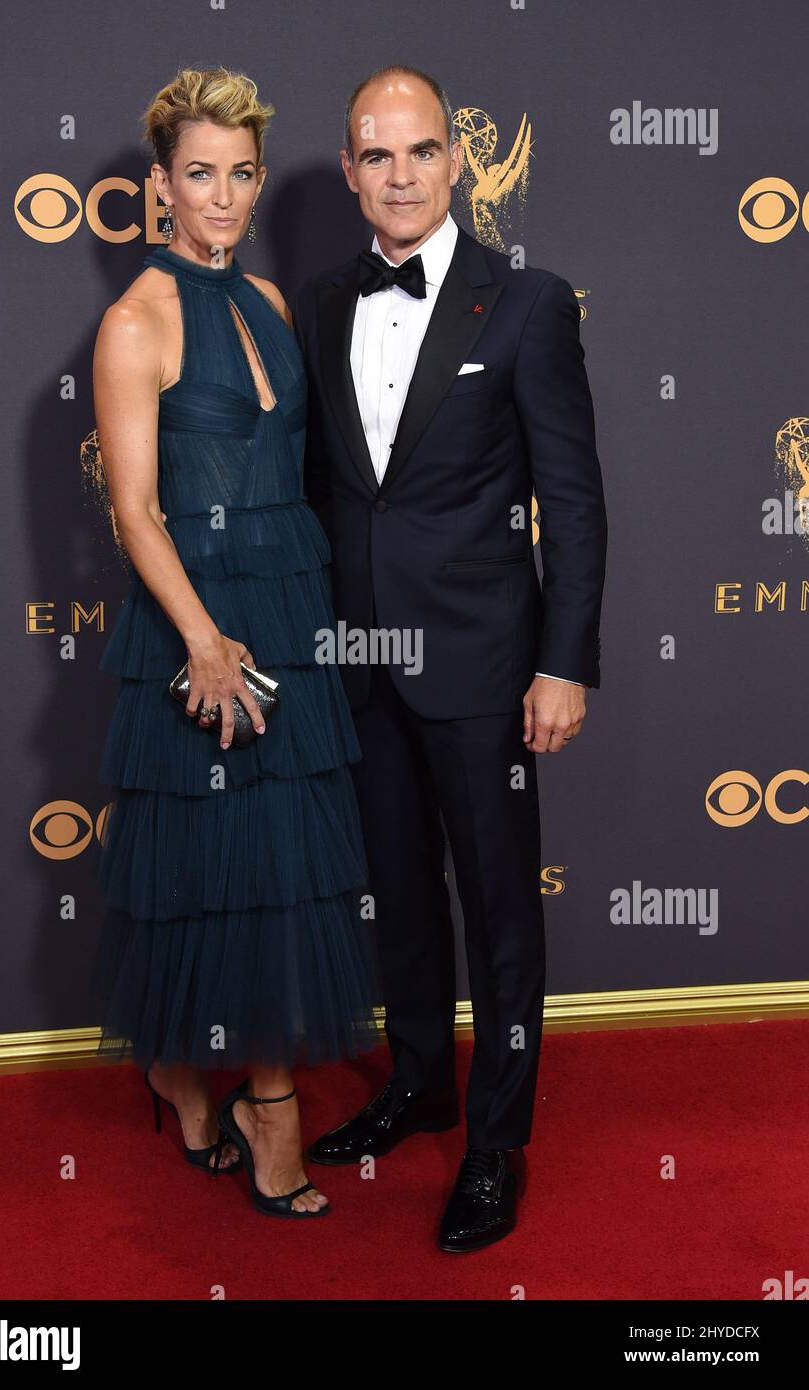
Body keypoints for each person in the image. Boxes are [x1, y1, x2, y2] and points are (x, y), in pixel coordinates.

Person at [293, 65, 607, 1252]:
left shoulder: (526, 303)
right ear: (351, 170)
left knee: (497, 912)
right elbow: (330, 487)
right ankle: (419, 1083)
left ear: (457, 160)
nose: (400, 175)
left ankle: (494, 1142)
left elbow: (572, 501)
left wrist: (563, 660)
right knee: (400, 900)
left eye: (420, 151)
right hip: (360, 654)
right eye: (376, 156)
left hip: (485, 663)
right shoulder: (323, 302)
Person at [89, 67, 380, 1220]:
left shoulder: (264, 295)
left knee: (291, 873)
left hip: (291, 612)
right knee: (221, 875)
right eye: (199, 174)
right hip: (199, 625)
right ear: (159, 186)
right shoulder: (133, 321)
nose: (223, 195)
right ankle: (255, 1099)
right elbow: (132, 512)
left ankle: (208, 1082)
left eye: (241, 173)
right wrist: (205, 643)